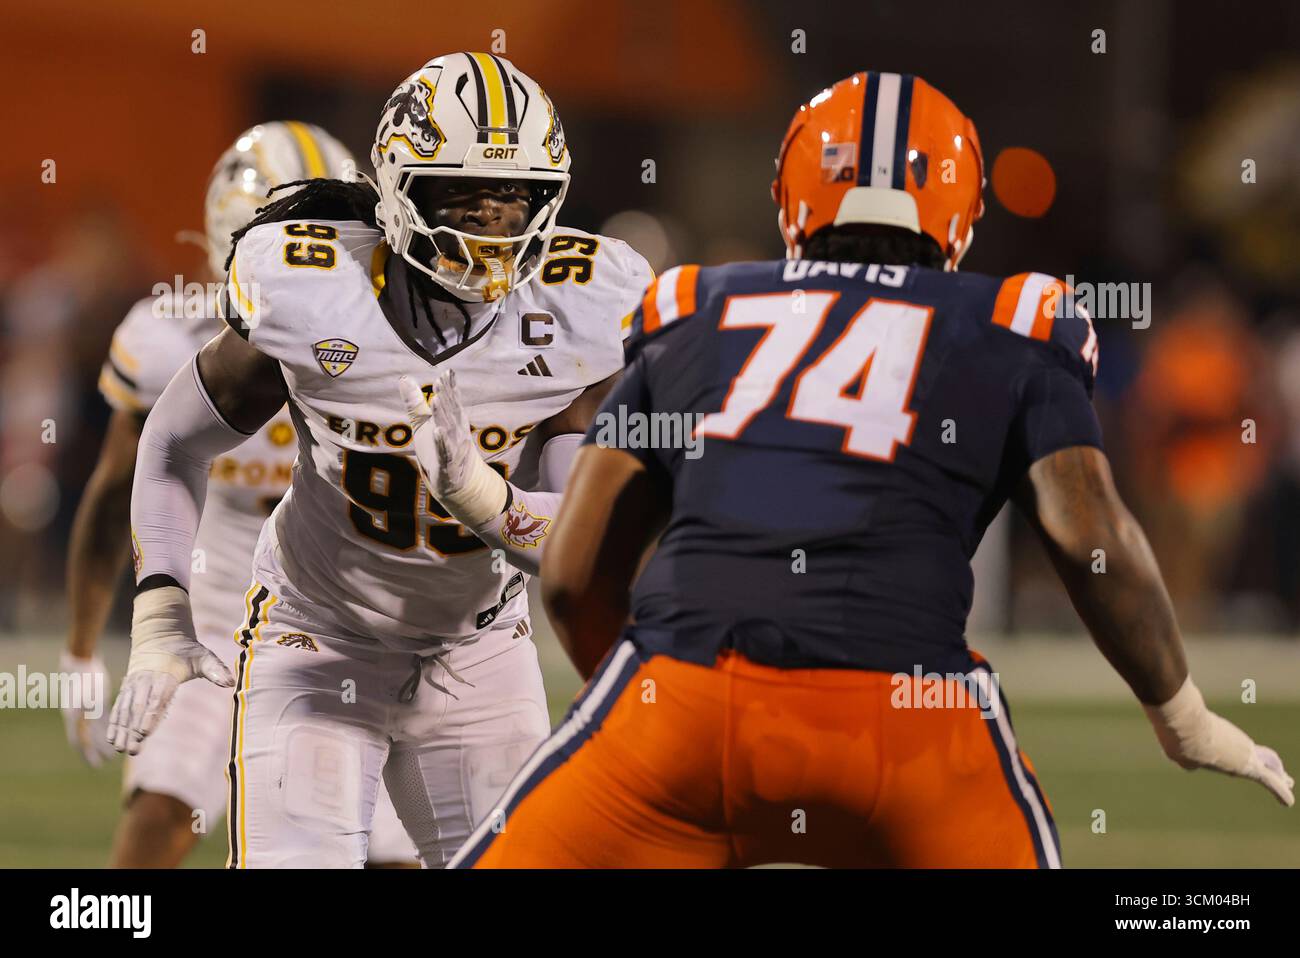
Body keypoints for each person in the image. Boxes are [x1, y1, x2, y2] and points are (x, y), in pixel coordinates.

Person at [450, 71, 1294, 869]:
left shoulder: (698, 303)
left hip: (685, 689)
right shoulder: (1016, 317)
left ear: (791, 197)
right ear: (959, 208)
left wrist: (638, 703)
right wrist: (1182, 720)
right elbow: (1089, 535)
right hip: (911, 718)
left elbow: (573, 573)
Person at [106, 53, 652, 868]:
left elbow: (573, 539)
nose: (492, 226)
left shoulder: (578, 311)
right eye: (464, 195)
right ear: (400, 189)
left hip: (479, 653)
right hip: (316, 638)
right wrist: (159, 612)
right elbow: (176, 439)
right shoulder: (309, 284)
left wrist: (482, 498)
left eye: (515, 198)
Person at [63, 121, 418, 867]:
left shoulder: (400, 334)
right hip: (215, 618)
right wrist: (81, 648)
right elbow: (112, 492)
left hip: (350, 632)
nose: (310, 263)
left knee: (391, 856)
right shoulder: (167, 334)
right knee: (159, 820)